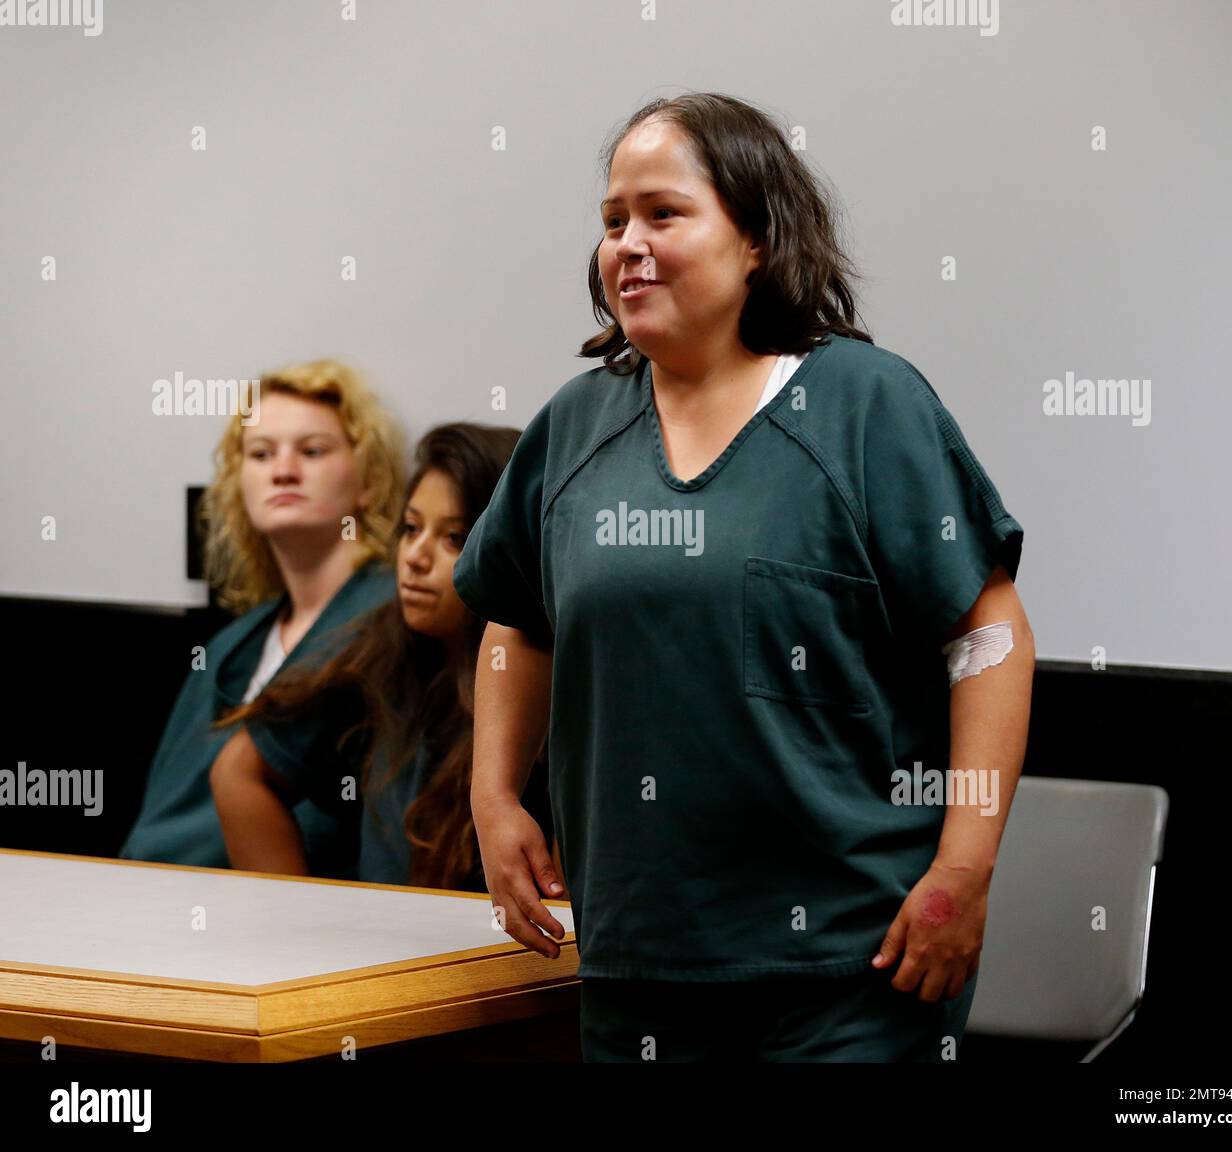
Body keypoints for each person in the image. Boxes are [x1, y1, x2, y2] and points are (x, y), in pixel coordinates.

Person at [453, 92, 1035, 1062]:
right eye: (611, 222)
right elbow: (517, 623)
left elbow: (985, 639)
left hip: (849, 976)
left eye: (662, 214)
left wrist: (963, 870)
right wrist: (494, 796)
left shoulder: (863, 406)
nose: (626, 244)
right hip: (633, 969)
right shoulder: (574, 427)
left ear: (757, 237)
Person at [208, 424, 555, 891]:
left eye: (453, 538)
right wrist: (294, 926)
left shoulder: (551, 685)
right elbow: (239, 774)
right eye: (411, 529)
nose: (415, 556)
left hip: (505, 956)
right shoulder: (383, 652)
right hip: (387, 953)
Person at [119, 359, 405, 876]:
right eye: (261, 453)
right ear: (237, 483)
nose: (283, 470)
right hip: (160, 909)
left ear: (367, 477)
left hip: (311, 919)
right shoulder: (233, 643)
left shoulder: (395, 618)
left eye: (313, 450)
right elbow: (160, 827)